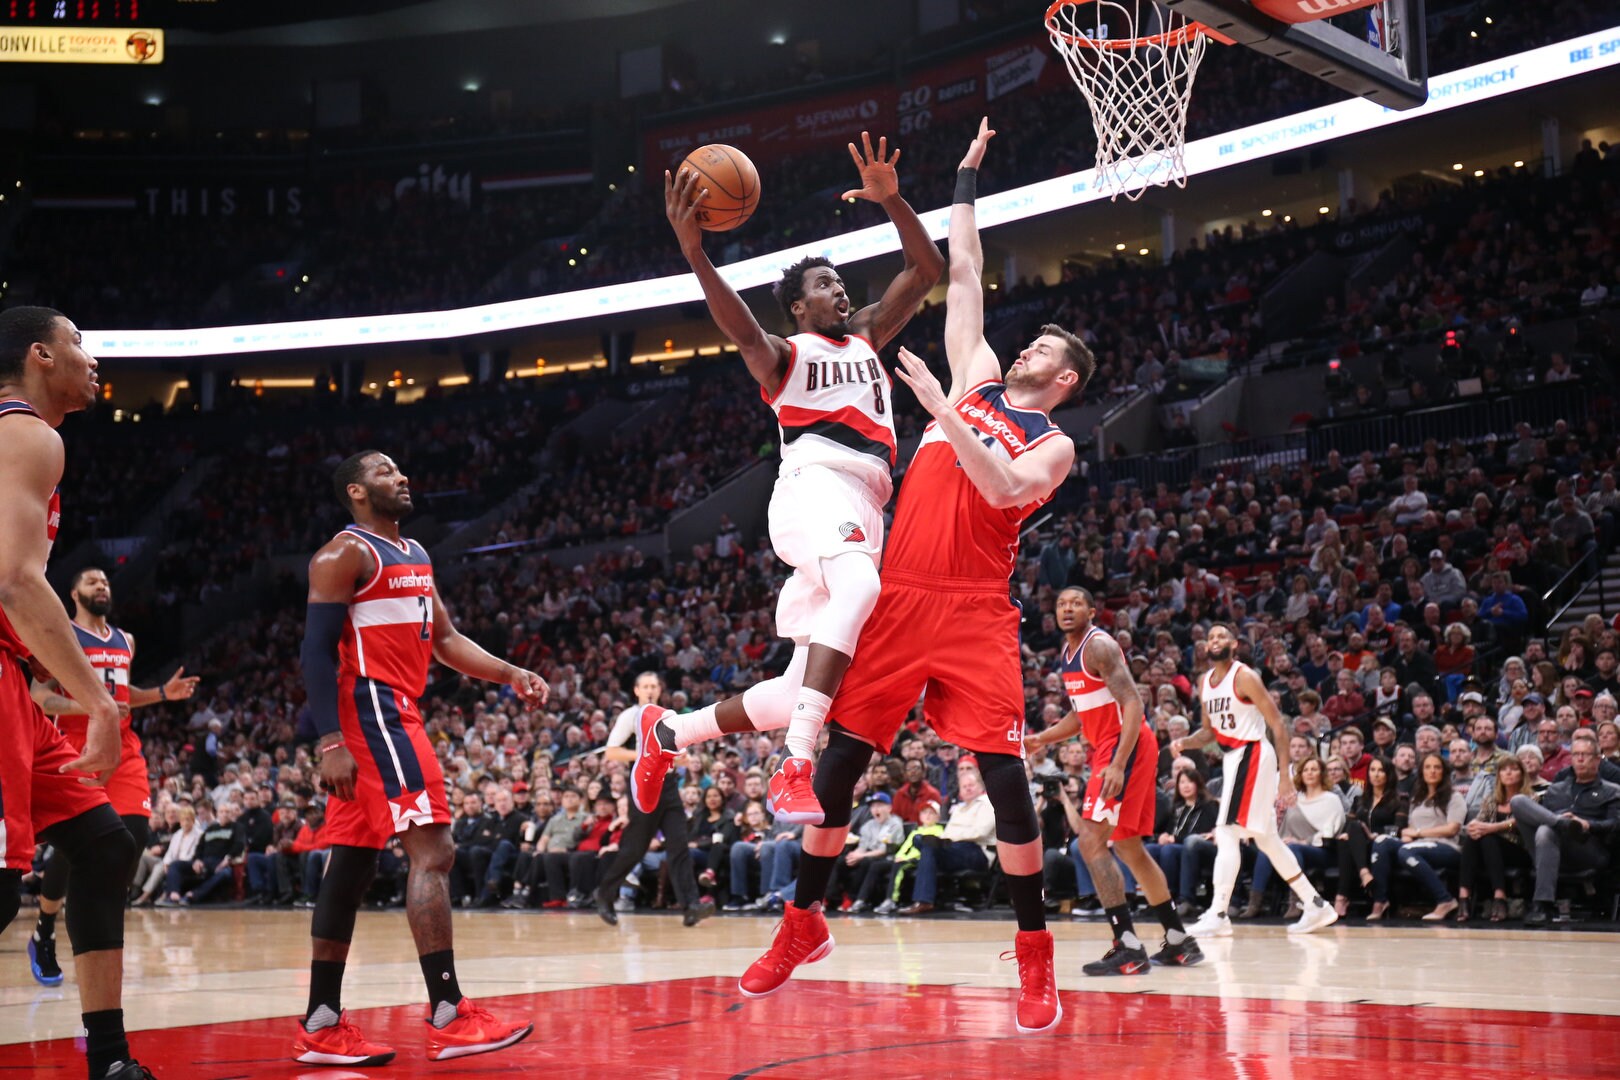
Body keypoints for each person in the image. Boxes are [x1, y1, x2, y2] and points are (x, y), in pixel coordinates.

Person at [723, 119, 1088, 1035]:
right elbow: (960, 270)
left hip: (973, 609)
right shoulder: (978, 370)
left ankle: (1036, 956)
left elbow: (1004, 486)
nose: (1028, 346)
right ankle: (801, 924)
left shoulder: (1053, 441)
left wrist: (939, 411)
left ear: (1068, 379)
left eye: (1047, 347)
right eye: (1031, 339)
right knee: (840, 766)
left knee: (1005, 778)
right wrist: (961, 181)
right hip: (899, 590)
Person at [638, 128, 945, 825]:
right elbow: (742, 328)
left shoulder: (866, 335)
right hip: (813, 487)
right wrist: (694, 253)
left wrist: (893, 203)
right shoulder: (785, 354)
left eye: (841, 283)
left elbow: (926, 270)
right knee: (861, 587)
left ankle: (670, 731)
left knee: (807, 680)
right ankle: (795, 766)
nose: (840, 291)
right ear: (799, 307)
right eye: (824, 285)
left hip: (866, 502)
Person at [295, 450, 549, 1066]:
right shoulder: (343, 554)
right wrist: (329, 741)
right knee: (434, 850)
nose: (402, 476)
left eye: (401, 468)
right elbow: (313, 653)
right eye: (385, 471)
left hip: (387, 709)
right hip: (373, 709)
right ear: (356, 492)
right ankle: (448, 1011)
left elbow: (447, 641)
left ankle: (321, 1022)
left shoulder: (415, 554)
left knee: (351, 865)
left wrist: (510, 672)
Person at [0, 307, 153, 1080]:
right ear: (39, 356)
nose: (90, 360)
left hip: (15, 689)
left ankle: (111, 1059)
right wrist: (97, 701)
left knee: (102, 845)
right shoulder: (28, 433)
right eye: (79, 346)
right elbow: (17, 580)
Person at [25, 566, 201, 984]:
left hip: (122, 753)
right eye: (92, 581)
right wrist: (91, 707)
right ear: (73, 593)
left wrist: (160, 694)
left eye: (105, 581)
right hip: (76, 750)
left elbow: (121, 696)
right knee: (78, 847)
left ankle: (97, 924)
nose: (101, 586)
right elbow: (40, 696)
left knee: (132, 838)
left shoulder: (126, 641)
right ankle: (45, 930)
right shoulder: (60, 635)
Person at [1025, 587, 1201, 974]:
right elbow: (1080, 716)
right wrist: (1043, 737)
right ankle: (1177, 940)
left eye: (1075, 603)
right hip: (1115, 745)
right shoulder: (1069, 655)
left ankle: (1127, 945)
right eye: (1060, 603)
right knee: (1129, 847)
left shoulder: (1098, 646)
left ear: (1091, 610)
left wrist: (1119, 763)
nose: (1067, 608)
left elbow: (1134, 702)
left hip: (1125, 745)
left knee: (1090, 841)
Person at [1173, 623, 1339, 937]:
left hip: (1252, 753)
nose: (1215, 640)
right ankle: (1315, 904)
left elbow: (1277, 723)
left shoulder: (1245, 676)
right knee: (1267, 840)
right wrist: (1186, 742)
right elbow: (1209, 732)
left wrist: (1286, 777)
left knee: (1226, 831)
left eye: (1222, 635)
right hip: (1233, 757)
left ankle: (1219, 912)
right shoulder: (1204, 682)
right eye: (1211, 637)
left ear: (1234, 644)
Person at [595, 671, 713, 927]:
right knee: (634, 849)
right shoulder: (630, 716)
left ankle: (691, 905)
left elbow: (672, 753)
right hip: (643, 783)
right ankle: (604, 893)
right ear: (636, 690)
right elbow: (612, 753)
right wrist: (645, 753)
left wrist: (680, 759)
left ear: (659, 690)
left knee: (679, 844)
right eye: (645, 686)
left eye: (653, 686)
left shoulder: (667, 716)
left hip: (669, 785)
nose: (650, 690)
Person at [1510, 733, 1620, 925]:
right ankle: (1561, 823)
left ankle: (1542, 905)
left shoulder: (1612, 790)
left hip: (1588, 849)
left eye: (1585, 755)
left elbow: (1615, 825)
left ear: (1597, 759)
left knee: (1546, 831)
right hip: (1548, 849)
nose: (1579, 759)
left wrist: (1587, 824)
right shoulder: (1556, 789)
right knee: (1518, 801)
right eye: (1576, 754)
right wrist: (1560, 821)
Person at [1242, 758, 1344, 919]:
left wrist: (1306, 841)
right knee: (1268, 850)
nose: (1309, 773)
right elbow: (1282, 829)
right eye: (1306, 770)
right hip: (1293, 847)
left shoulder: (1331, 799)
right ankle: (1255, 903)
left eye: (1314, 769)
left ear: (1322, 774)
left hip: (1322, 850)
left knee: (1294, 848)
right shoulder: (1295, 799)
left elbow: (1331, 830)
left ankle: (1296, 902)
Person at [1457, 755, 1534, 923]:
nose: (1509, 773)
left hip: (1519, 849)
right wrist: (1473, 826)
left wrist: (1492, 828)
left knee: (1488, 837)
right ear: (1499, 775)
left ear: (1522, 774)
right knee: (1474, 838)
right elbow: (1479, 820)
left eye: (1514, 769)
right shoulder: (1491, 799)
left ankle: (1500, 896)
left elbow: (1520, 824)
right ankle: (1464, 897)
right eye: (1504, 770)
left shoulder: (1531, 798)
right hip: (1490, 849)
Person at [1396, 752, 1468, 921]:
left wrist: (1419, 833)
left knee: (1406, 852)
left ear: (1444, 772)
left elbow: (1452, 829)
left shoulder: (1454, 796)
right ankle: (1381, 903)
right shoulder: (1417, 798)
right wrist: (1408, 834)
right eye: (1428, 767)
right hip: (1419, 846)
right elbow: (1411, 826)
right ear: (1421, 772)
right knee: (1383, 844)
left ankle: (1445, 900)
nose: (1432, 771)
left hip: (1447, 847)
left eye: (1437, 767)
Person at [1333, 756, 1407, 920]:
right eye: (1372, 770)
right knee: (1348, 834)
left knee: (1352, 834)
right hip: (1361, 847)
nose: (1376, 774)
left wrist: (1375, 836)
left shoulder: (1400, 800)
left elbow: (1398, 829)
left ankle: (1343, 897)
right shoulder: (1360, 800)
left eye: (1381, 771)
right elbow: (1349, 825)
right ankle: (1363, 874)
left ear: (1389, 774)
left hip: (1384, 846)